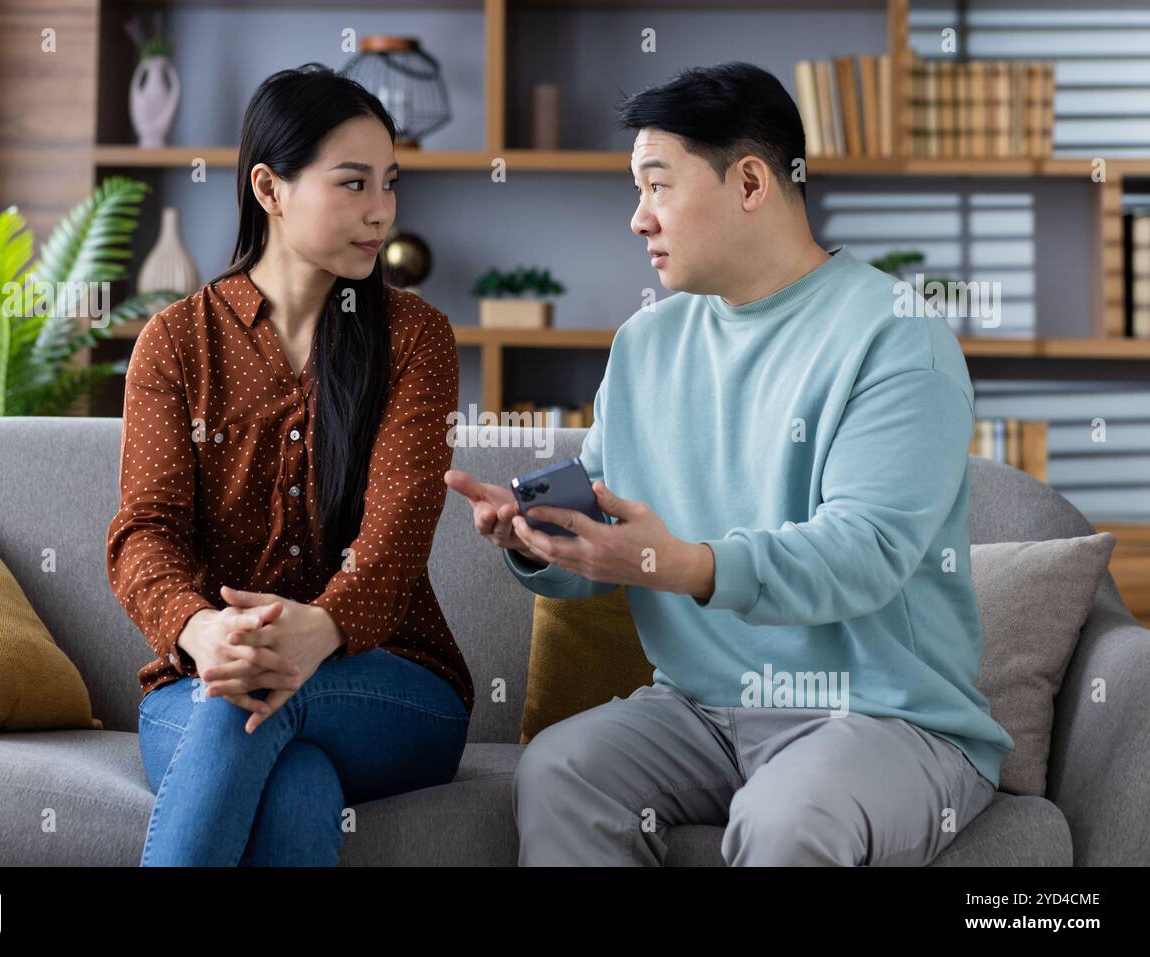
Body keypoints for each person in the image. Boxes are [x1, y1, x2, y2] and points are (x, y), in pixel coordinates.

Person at [445, 61, 1014, 866]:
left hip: (883, 716)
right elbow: (609, 535)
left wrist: (687, 564)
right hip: (699, 709)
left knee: (790, 817)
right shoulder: (645, 344)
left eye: (657, 185)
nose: (638, 219)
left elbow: (867, 552)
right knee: (562, 768)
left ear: (750, 182)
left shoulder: (897, 335)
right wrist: (539, 540)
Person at [106, 63, 474, 867]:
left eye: (390, 183)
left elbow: (399, 533)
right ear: (269, 190)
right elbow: (145, 535)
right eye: (352, 184)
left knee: (254, 700)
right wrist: (203, 630)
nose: (380, 211)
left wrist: (321, 628)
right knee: (293, 776)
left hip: (393, 686)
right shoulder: (175, 343)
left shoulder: (416, 338)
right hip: (201, 682)